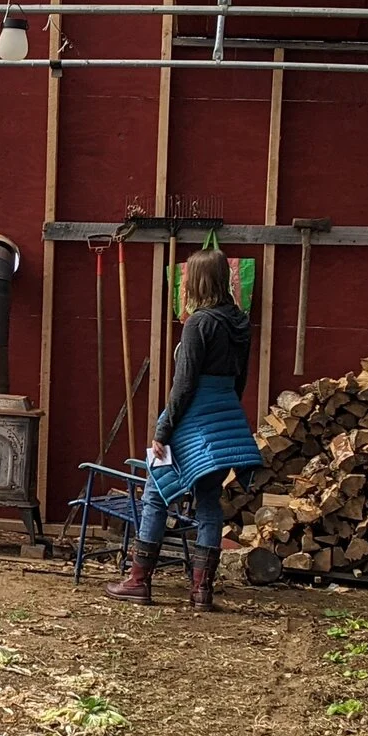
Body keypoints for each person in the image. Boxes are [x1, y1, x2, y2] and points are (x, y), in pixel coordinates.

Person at [108, 247, 261, 614]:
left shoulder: (199, 323)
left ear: (199, 282)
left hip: (193, 419)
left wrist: (163, 430)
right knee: (209, 502)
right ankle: (201, 592)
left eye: (189, 277)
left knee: (156, 494)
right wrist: (224, 411)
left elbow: (184, 385)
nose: (185, 283)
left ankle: (138, 582)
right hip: (226, 418)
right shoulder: (240, 323)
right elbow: (240, 379)